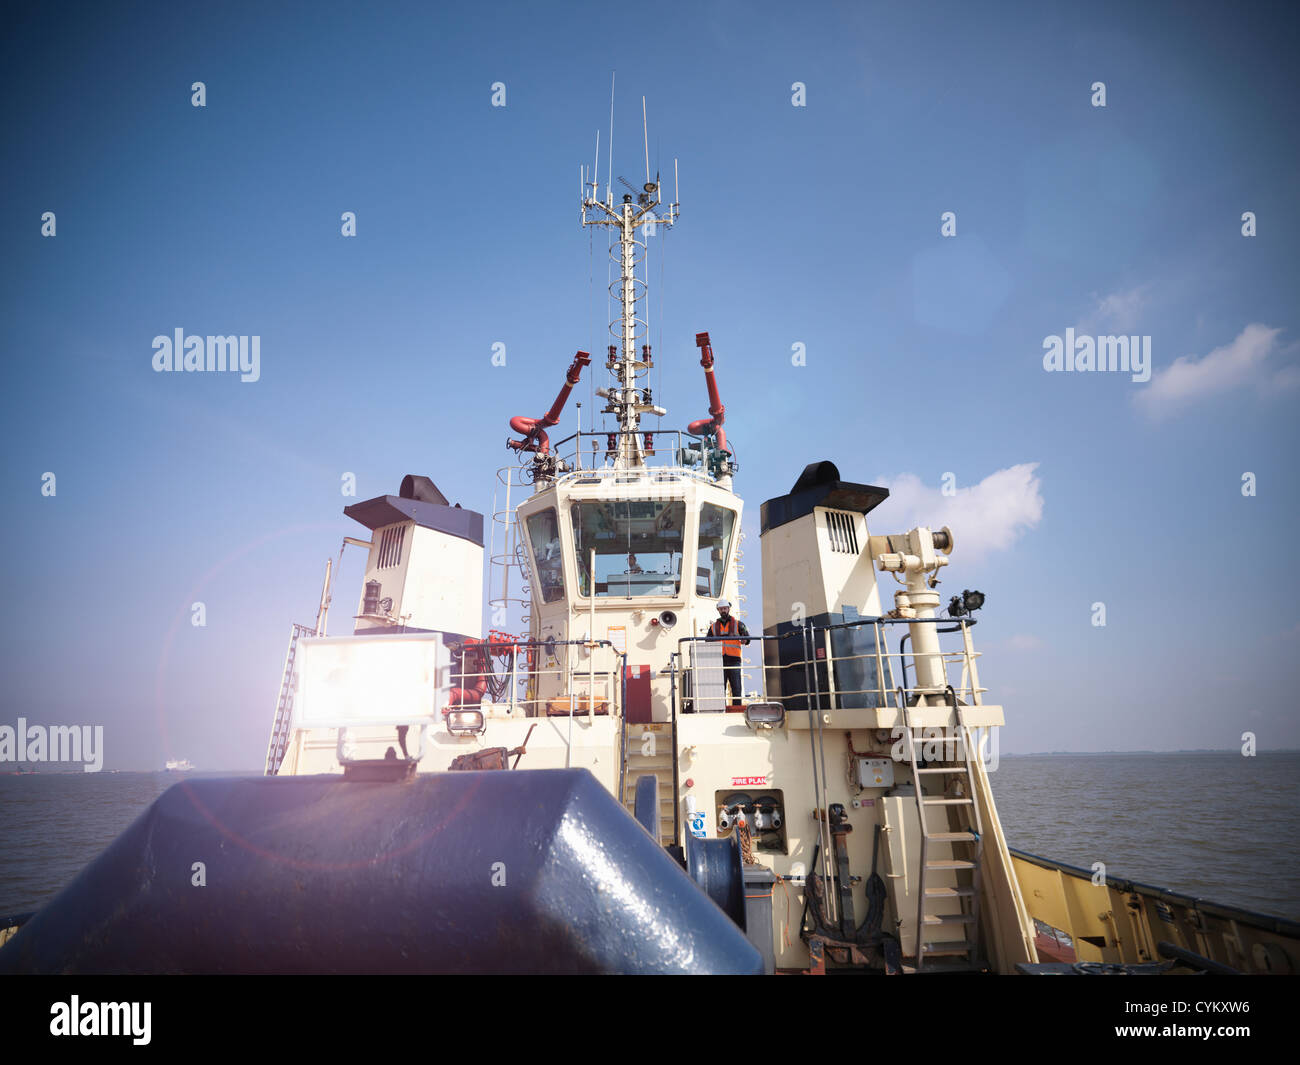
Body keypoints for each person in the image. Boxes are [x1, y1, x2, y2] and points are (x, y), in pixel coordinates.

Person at [707, 599, 750, 709]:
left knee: (736, 686)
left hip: (734, 659)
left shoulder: (739, 624)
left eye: (725, 608)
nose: (723, 611)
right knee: (720, 687)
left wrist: (745, 640)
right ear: (718, 610)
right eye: (721, 609)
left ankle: (737, 708)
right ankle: (720, 709)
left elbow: (747, 637)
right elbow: (707, 642)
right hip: (719, 660)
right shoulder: (712, 627)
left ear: (728, 609)